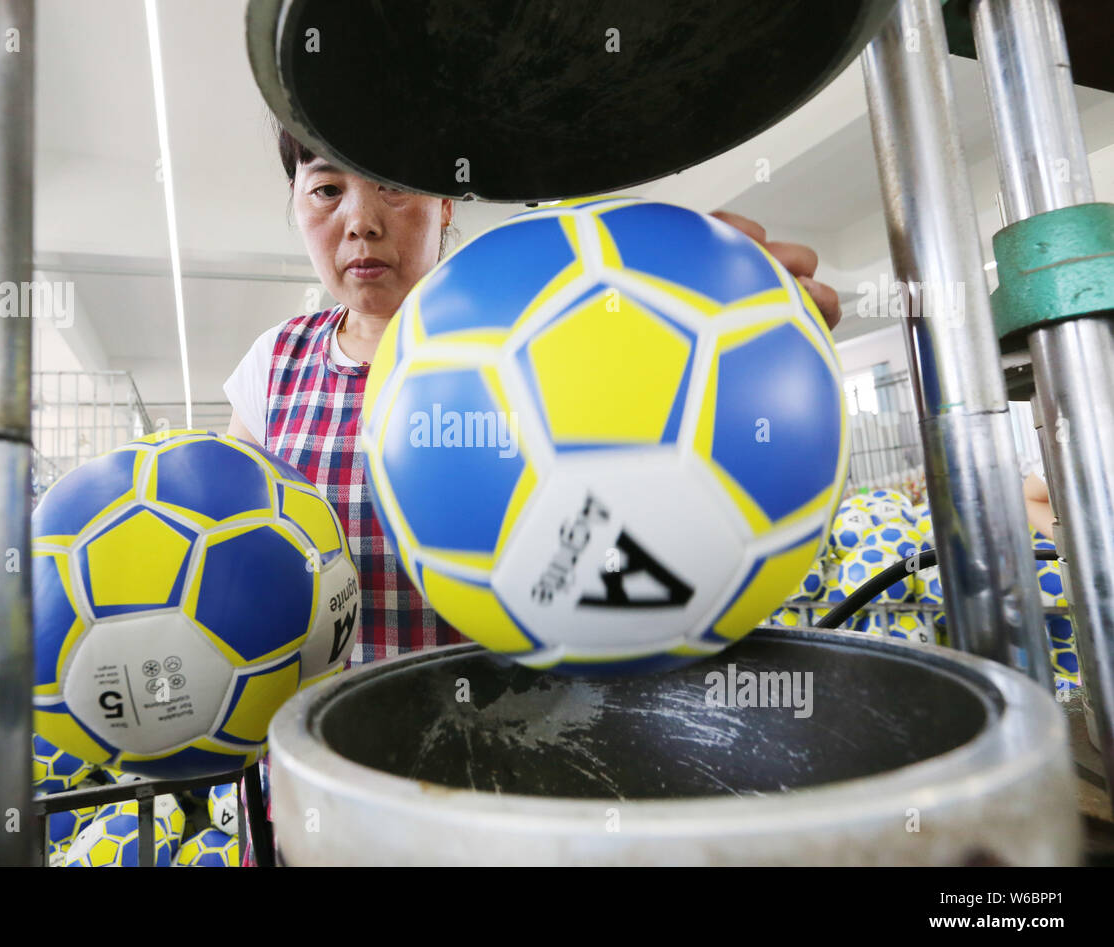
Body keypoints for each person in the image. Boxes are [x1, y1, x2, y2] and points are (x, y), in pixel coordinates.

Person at [221, 115, 842, 863]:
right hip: (325, 785)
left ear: (446, 204)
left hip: (519, 778)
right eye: (325, 190)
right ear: (295, 205)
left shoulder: (553, 316)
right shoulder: (273, 367)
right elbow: (233, 562)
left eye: (393, 187)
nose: (361, 223)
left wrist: (722, 321)